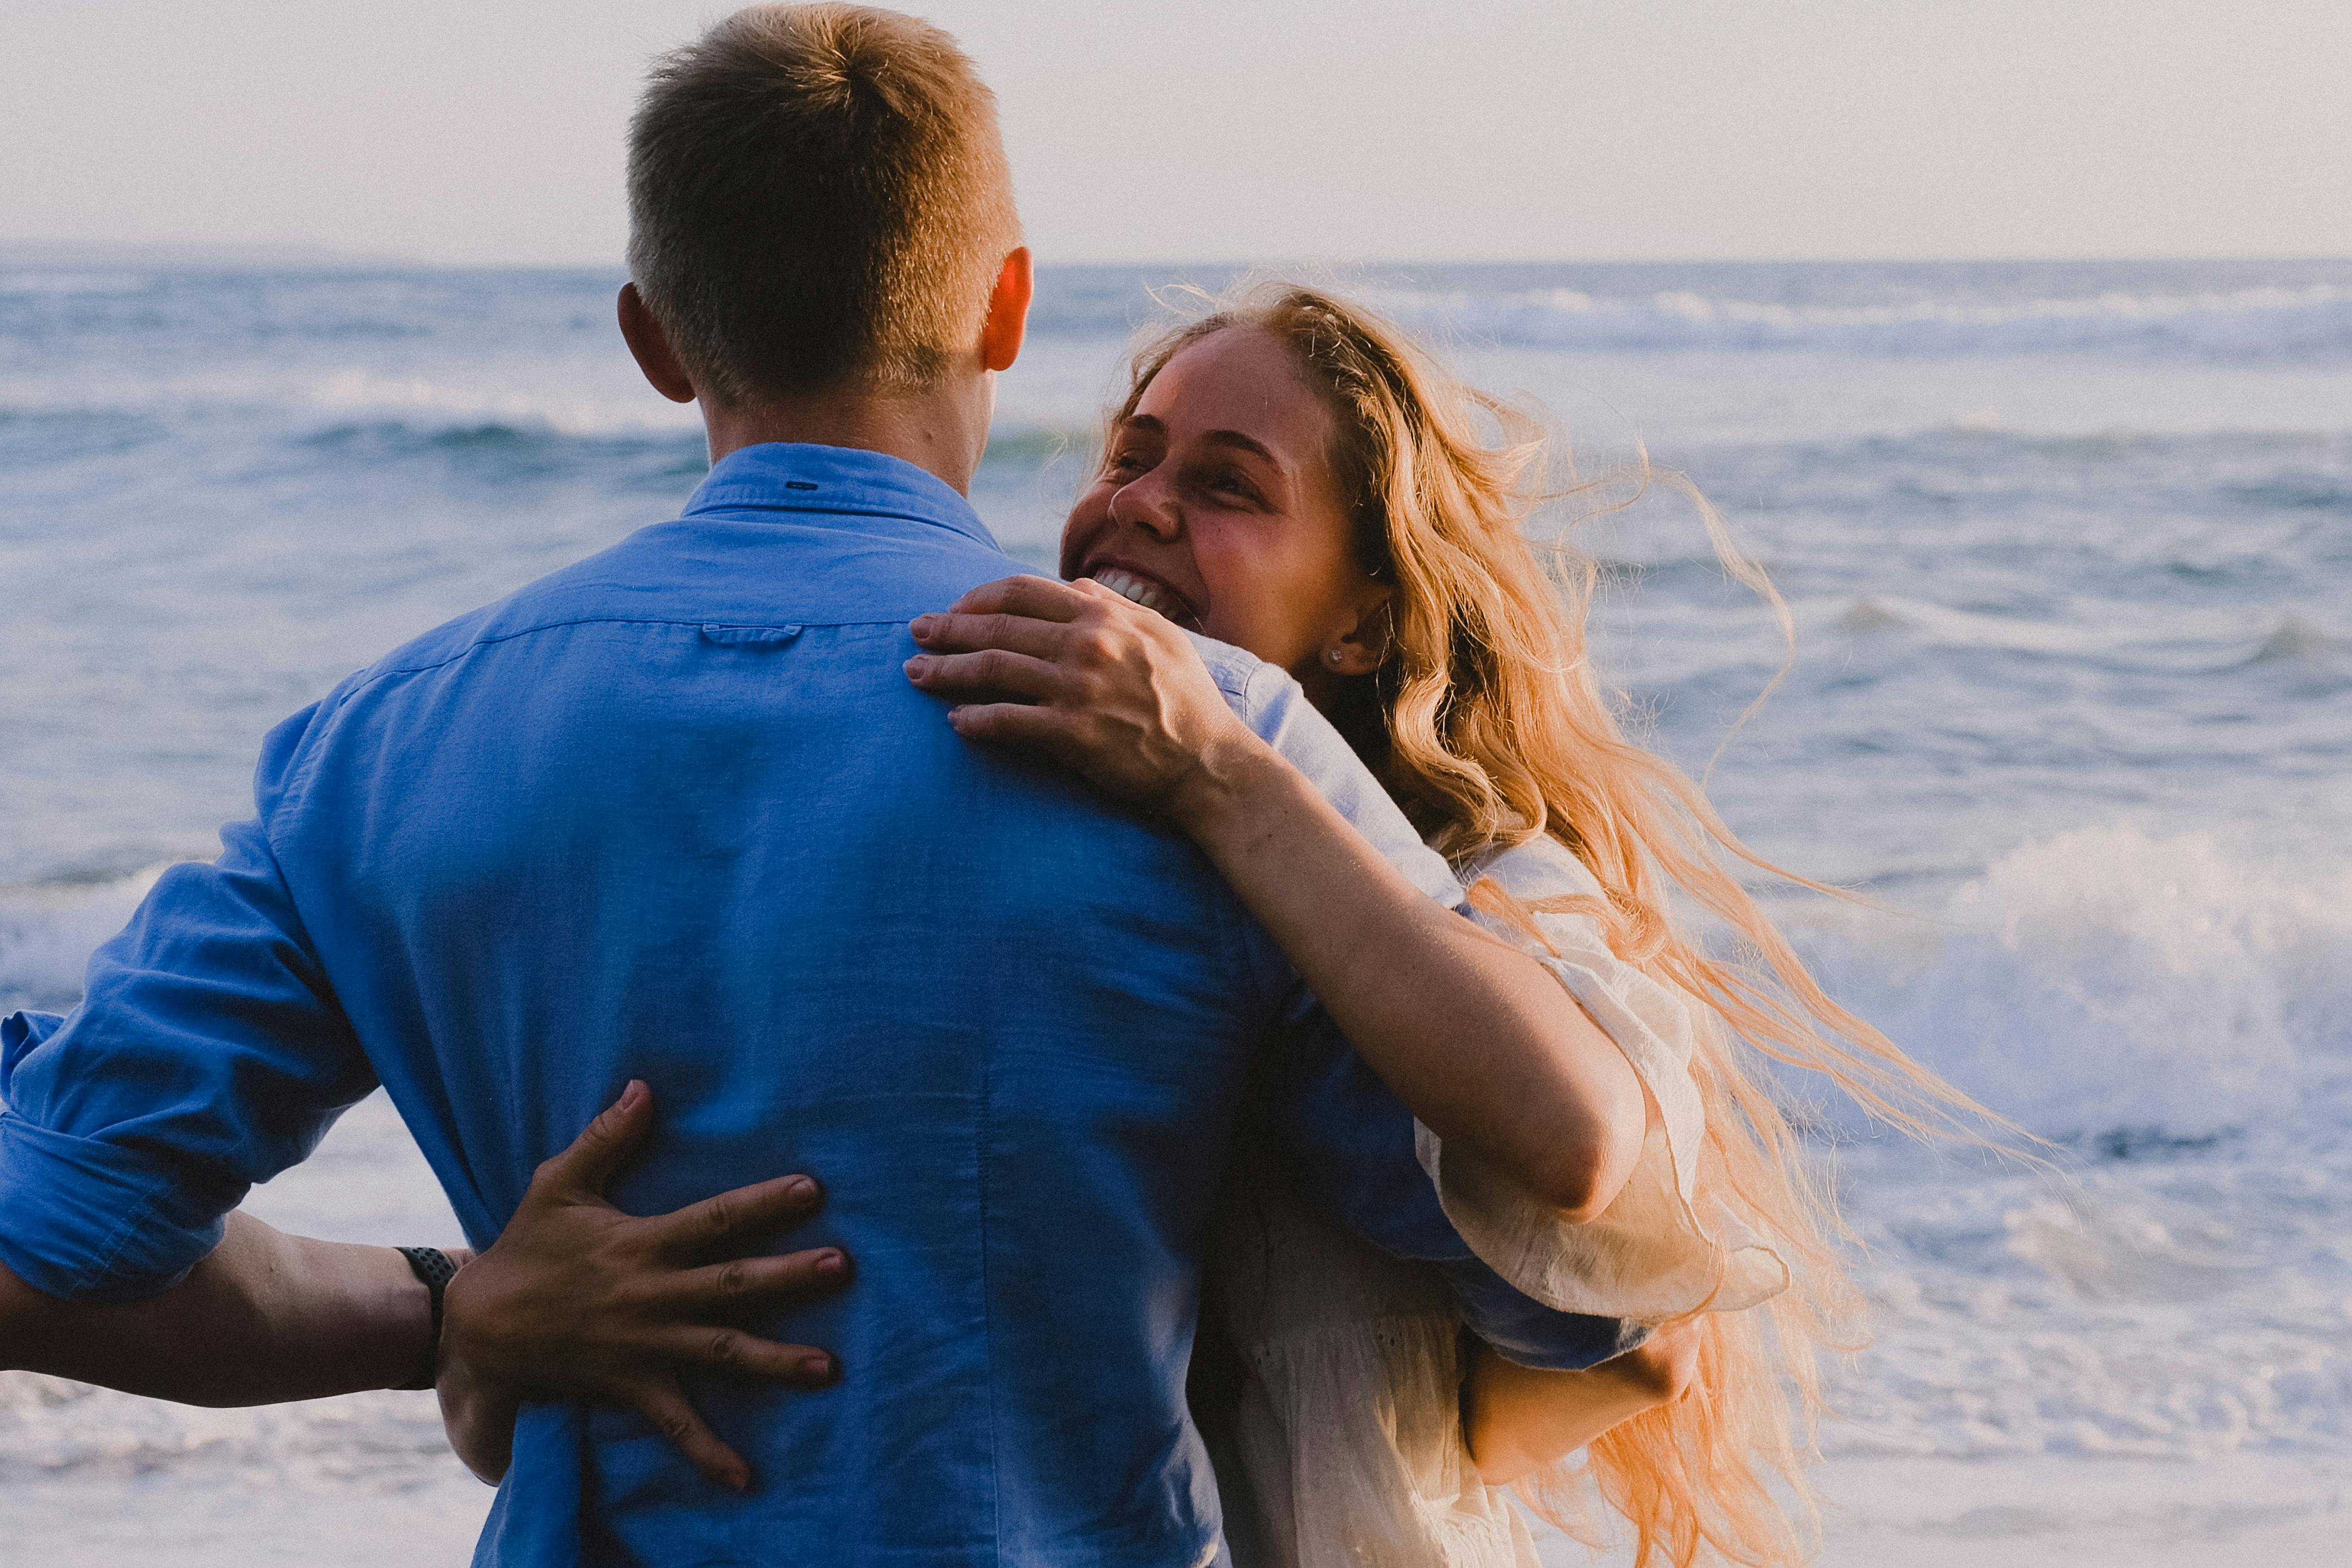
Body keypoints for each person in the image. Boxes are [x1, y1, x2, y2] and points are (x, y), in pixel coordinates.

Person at [0, 9, 1674, 1565]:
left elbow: (46, 1249)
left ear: (654, 340)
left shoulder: (378, 747)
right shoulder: (1191, 747)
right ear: (1005, 307)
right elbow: (1570, 1288)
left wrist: (445, 1315)